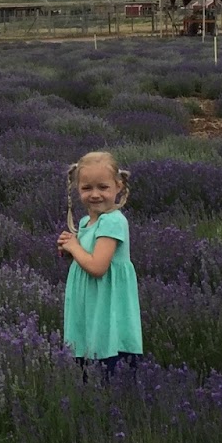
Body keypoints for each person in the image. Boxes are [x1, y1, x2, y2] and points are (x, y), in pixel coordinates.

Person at [57, 151, 142, 382]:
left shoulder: (113, 220)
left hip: (106, 306)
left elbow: (97, 267)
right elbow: (86, 257)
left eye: (103, 187)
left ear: (118, 186)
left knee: (108, 366)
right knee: (88, 364)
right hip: (90, 305)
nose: (95, 194)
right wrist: (70, 250)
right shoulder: (86, 222)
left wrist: (75, 247)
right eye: (87, 188)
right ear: (77, 189)